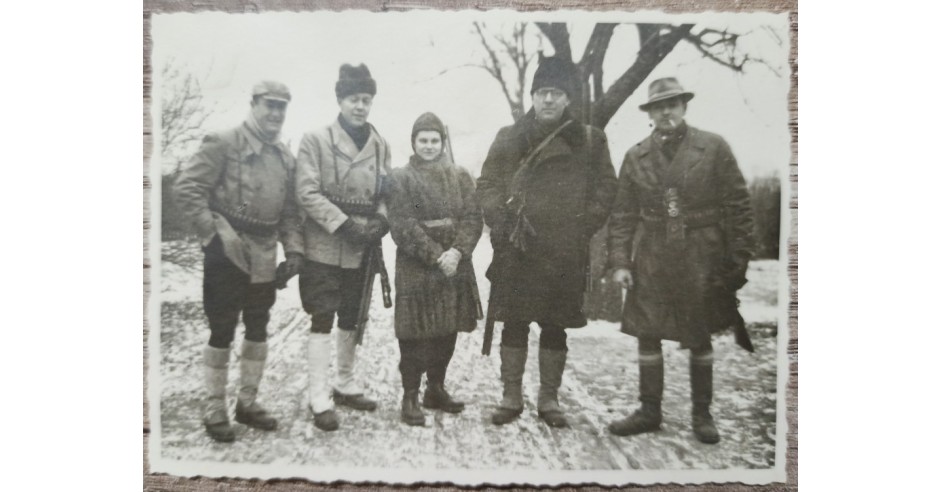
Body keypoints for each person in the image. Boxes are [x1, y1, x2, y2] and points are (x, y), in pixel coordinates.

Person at [606, 77, 755, 444]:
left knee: (699, 334)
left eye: (672, 104)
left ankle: (702, 414)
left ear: (684, 107)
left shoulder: (713, 147)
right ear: (650, 114)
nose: (666, 111)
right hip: (654, 254)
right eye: (659, 106)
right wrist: (621, 262)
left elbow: (738, 205)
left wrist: (738, 256)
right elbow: (623, 215)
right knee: (647, 332)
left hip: (702, 254)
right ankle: (649, 411)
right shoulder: (636, 155)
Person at [476, 56, 618, 428]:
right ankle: (511, 395)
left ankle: (549, 399)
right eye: (542, 93)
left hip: (564, 249)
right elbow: (487, 184)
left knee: (556, 324)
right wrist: (501, 219)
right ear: (533, 97)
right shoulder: (510, 137)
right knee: (515, 322)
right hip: (518, 246)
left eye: (556, 93)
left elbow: (606, 188)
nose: (548, 100)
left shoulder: (589, 140)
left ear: (568, 98)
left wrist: (583, 225)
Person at [174, 81, 305, 443]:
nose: (276, 113)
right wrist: (213, 234)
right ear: (253, 104)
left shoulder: (284, 157)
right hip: (227, 250)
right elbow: (187, 187)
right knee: (222, 327)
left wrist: (293, 251)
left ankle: (247, 403)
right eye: (269, 105)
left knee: (258, 327)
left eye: (282, 107)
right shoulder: (223, 142)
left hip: (264, 252)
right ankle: (215, 407)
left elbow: (291, 211)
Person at [294, 63, 391, 432]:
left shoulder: (380, 144)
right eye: (354, 99)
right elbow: (306, 192)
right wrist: (343, 223)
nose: (360, 106)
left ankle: (345, 383)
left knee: (352, 316)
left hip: (360, 246)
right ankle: (319, 395)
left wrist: (381, 220)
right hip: (323, 243)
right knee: (323, 315)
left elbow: (384, 192)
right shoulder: (315, 139)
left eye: (366, 99)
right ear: (340, 99)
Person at [386, 112, 483, 426]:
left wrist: (457, 252)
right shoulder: (401, 178)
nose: (428, 146)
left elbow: (472, 219)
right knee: (413, 331)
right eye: (422, 140)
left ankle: (436, 389)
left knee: (447, 327)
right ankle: (410, 395)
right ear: (413, 143)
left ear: (443, 142)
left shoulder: (460, 176)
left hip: (454, 264)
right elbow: (401, 224)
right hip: (417, 264)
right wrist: (436, 255)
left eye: (434, 140)